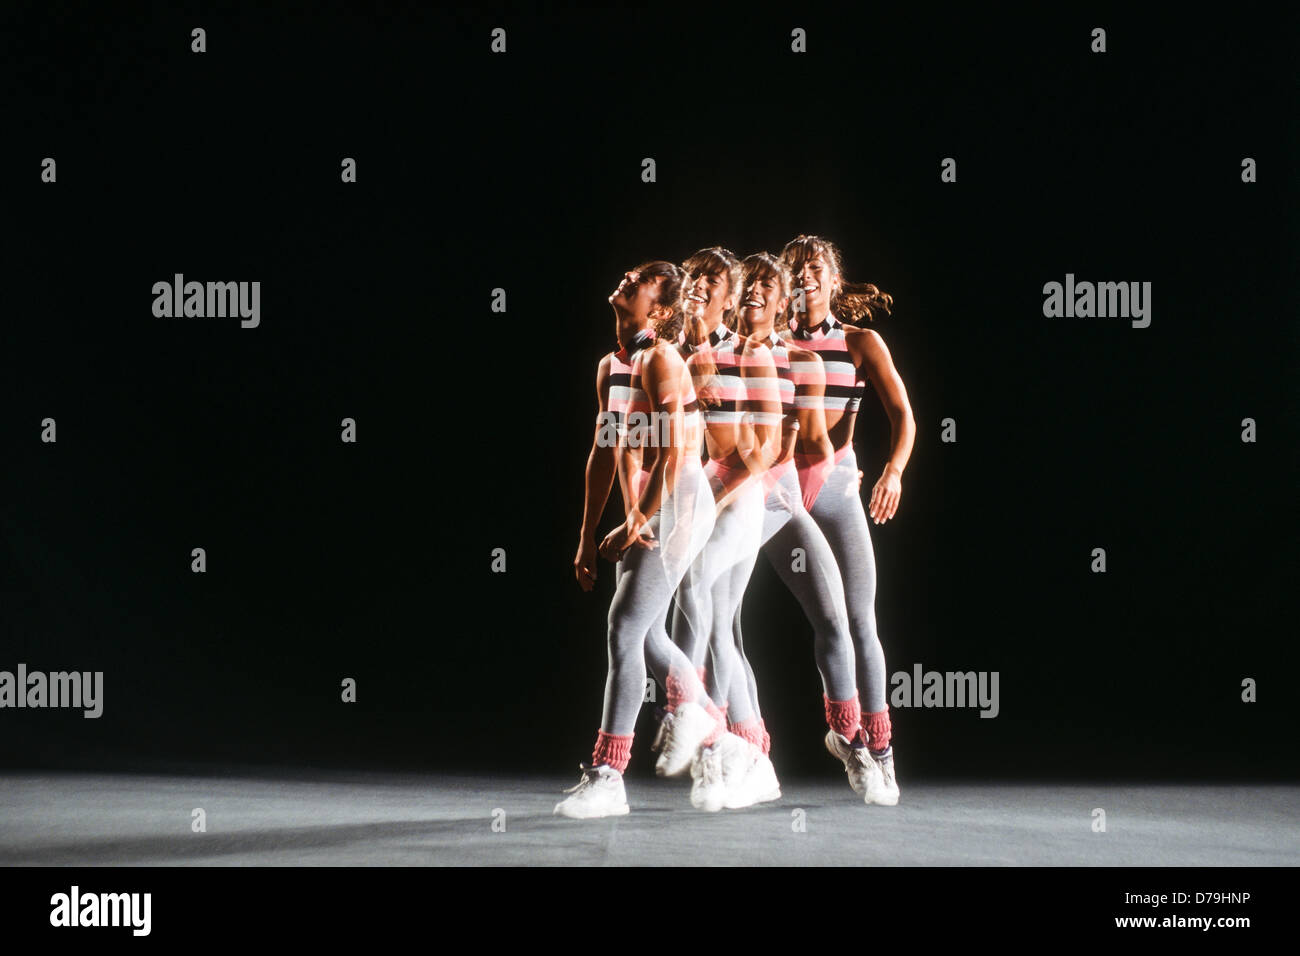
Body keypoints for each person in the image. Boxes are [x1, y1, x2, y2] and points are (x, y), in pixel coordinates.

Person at [560, 261, 725, 819]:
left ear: (658, 310)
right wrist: (586, 538)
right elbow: (604, 452)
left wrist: (639, 519)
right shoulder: (611, 365)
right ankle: (719, 735)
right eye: (633, 271)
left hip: (679, 503)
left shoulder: (660, 358)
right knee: (647, 633)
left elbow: (677, 453)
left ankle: (608, 775)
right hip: (648, 503)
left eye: (645, 279)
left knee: (625, 626)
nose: (630, 275)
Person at [780, 235, 915, 806]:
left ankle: (879, 750)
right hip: (782, 489)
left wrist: (893, 472)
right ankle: (847, 738)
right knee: (825, 618)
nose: (805, 277)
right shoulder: (768, 343)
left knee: (861, 619)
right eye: (796, 270)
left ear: (834, 281)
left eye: (815, 270)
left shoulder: (860, 342)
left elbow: (903, 414)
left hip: (836, 486)